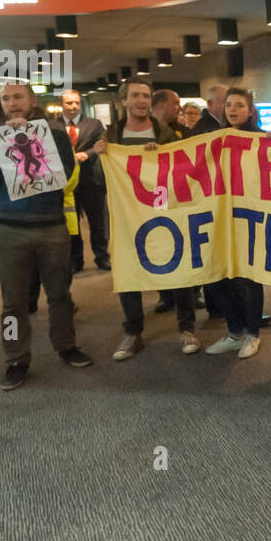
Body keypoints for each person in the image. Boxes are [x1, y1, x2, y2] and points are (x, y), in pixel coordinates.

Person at [0, 80, 92, 390]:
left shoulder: (52, 133)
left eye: (17, 96)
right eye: (5, 98)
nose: (11, 102)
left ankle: (66, 345)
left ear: (31, 101)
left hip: (51, 225)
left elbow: (65, 172)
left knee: (60, 295)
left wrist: (28, 134)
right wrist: (10, 140)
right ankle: (16, 357)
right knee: (12, 304)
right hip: (9, 229)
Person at [94, 79, 200, 360]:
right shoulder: (112, 136)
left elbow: (181, 174)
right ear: (124, 102)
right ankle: (133, 331)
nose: (141, 100)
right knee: (128, 270)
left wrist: (162, 157)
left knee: (178, 266)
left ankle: (187, 328)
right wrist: (100, 157)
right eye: (136, 95)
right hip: (126, 216)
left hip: (163, 212)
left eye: (146, 95)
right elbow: (97, 180)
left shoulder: (166, 134)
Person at [199, 88, 266, 360]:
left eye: (240, 105)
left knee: (247, 278)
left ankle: (253, 333)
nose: (233, 109)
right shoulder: (214, 140)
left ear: (250, 111)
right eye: (228, 105)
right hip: (220, 219)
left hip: (249, 219)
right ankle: (234, 330)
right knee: (218, 277)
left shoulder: (261, 139)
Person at [53, 89, 108, 273]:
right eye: (69, 103)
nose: (73, 106)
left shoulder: (94, 124)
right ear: (62, 105)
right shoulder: (51, 126)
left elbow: (101, 144)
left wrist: (89, 154)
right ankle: (76, 261)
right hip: (66, 184)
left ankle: (102, 257)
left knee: (97, 223)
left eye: (76, 102)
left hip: (90, 180)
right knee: (72, 224)